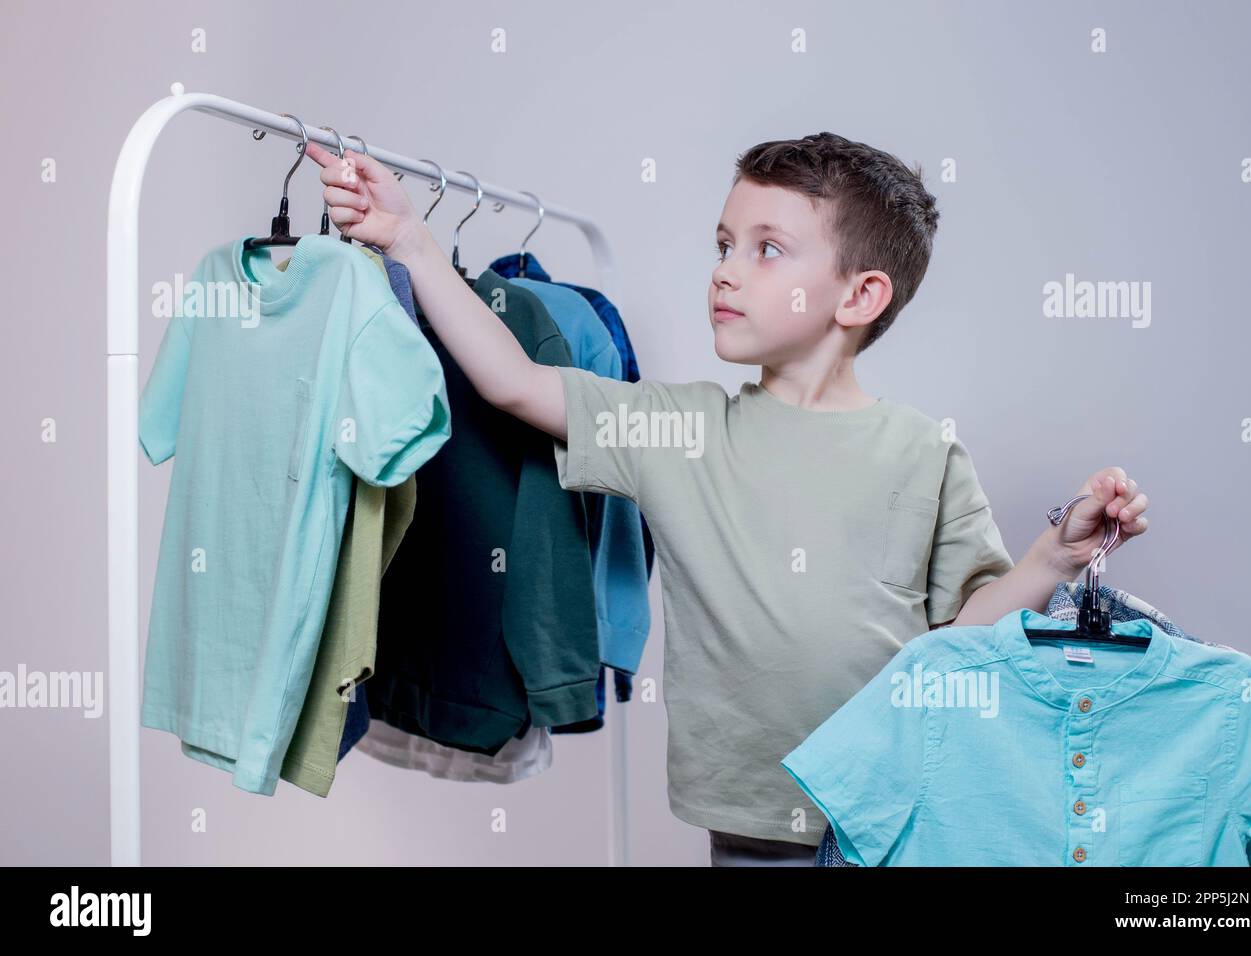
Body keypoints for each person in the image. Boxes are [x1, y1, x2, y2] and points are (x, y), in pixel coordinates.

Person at [305, 132, 1150, 866]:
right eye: (723, 244)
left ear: (859, 296)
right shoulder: (682, 431)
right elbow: (516, 382)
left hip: (903, 814)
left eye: (765, 249)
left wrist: (1056, 556)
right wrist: (409, 239)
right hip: (752, 825)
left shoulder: (925, 453)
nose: (724, 271)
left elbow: (963, 636)